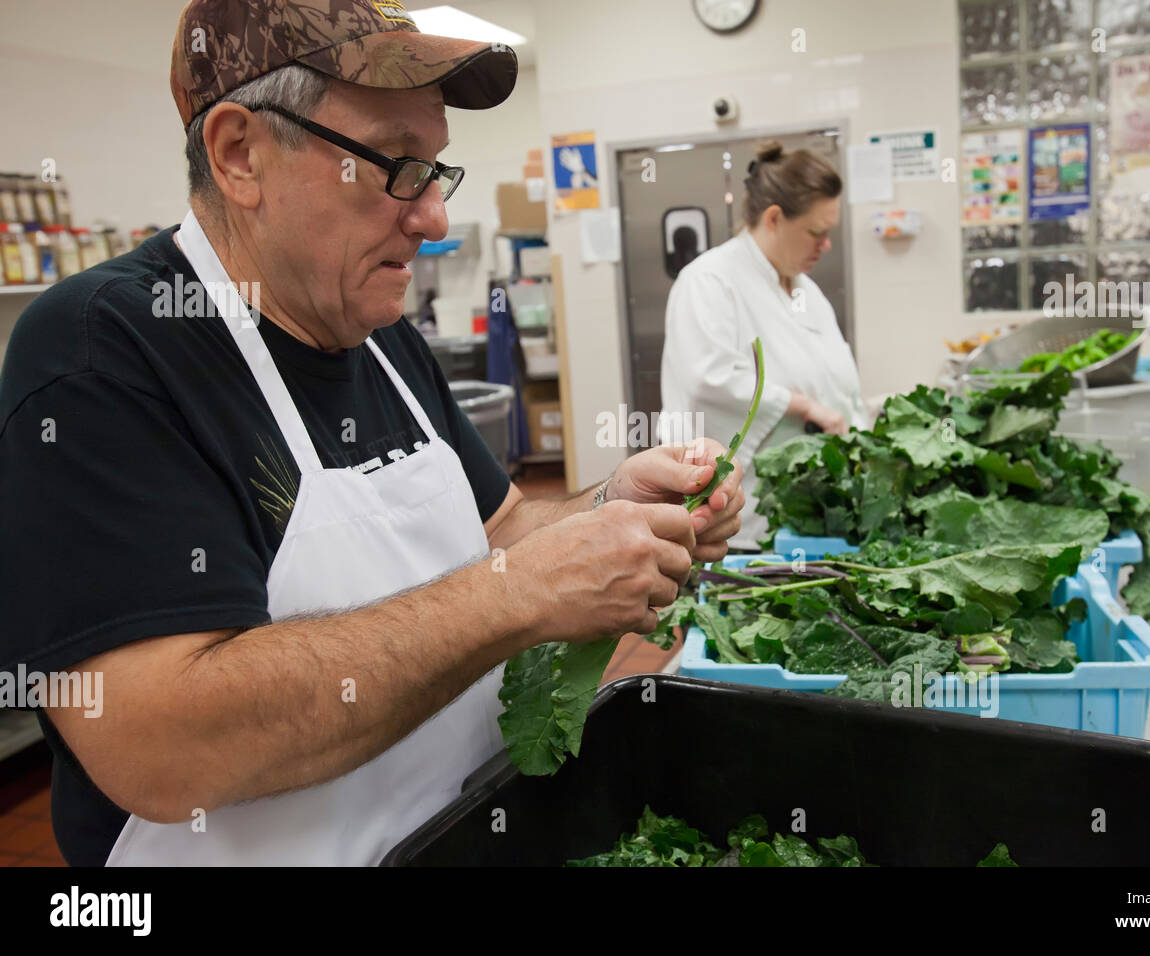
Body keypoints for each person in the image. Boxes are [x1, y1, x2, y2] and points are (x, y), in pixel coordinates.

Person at [0, 0, 744, 867]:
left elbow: (498, 531)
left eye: (436, 171)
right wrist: (517, 594)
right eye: (396, 167)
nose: (430, 219)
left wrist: (612, 505)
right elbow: (161, 745)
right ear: (241, 154)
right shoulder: (103, 350)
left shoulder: (378, 331)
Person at [658, 140, 869, 549]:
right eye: (817, 233)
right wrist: (802, 405)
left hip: (807, 519)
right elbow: (708, 382)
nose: (826, 246)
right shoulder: (710, 281)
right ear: (774, 218)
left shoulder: (806, 291)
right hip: (743, 522)